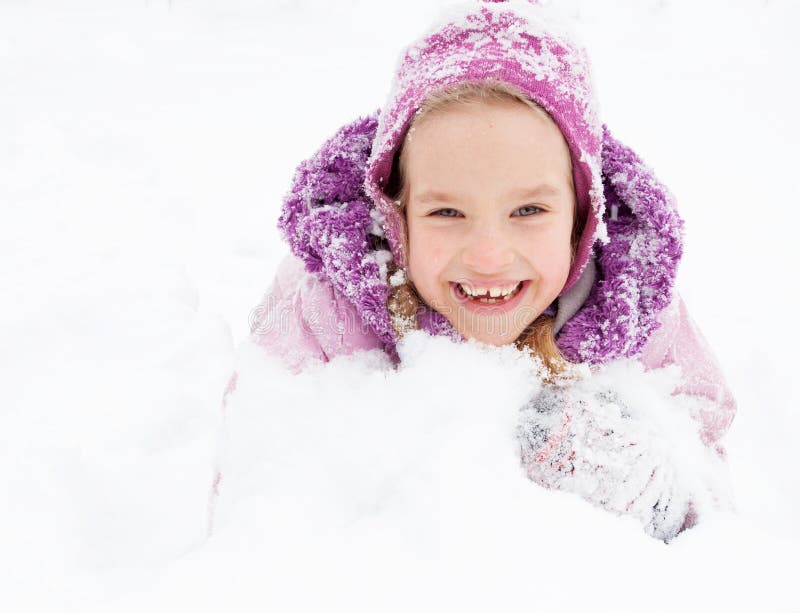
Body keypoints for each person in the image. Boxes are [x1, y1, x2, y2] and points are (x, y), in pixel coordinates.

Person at [213, 0, 736, 542]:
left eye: (529, 211)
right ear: (397, 212)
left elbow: (711, 473)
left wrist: (656, 489)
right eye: (446, 212)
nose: (488, 256)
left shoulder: (634, 308)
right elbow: (255, 478)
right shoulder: (324, 303)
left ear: (583, 214)